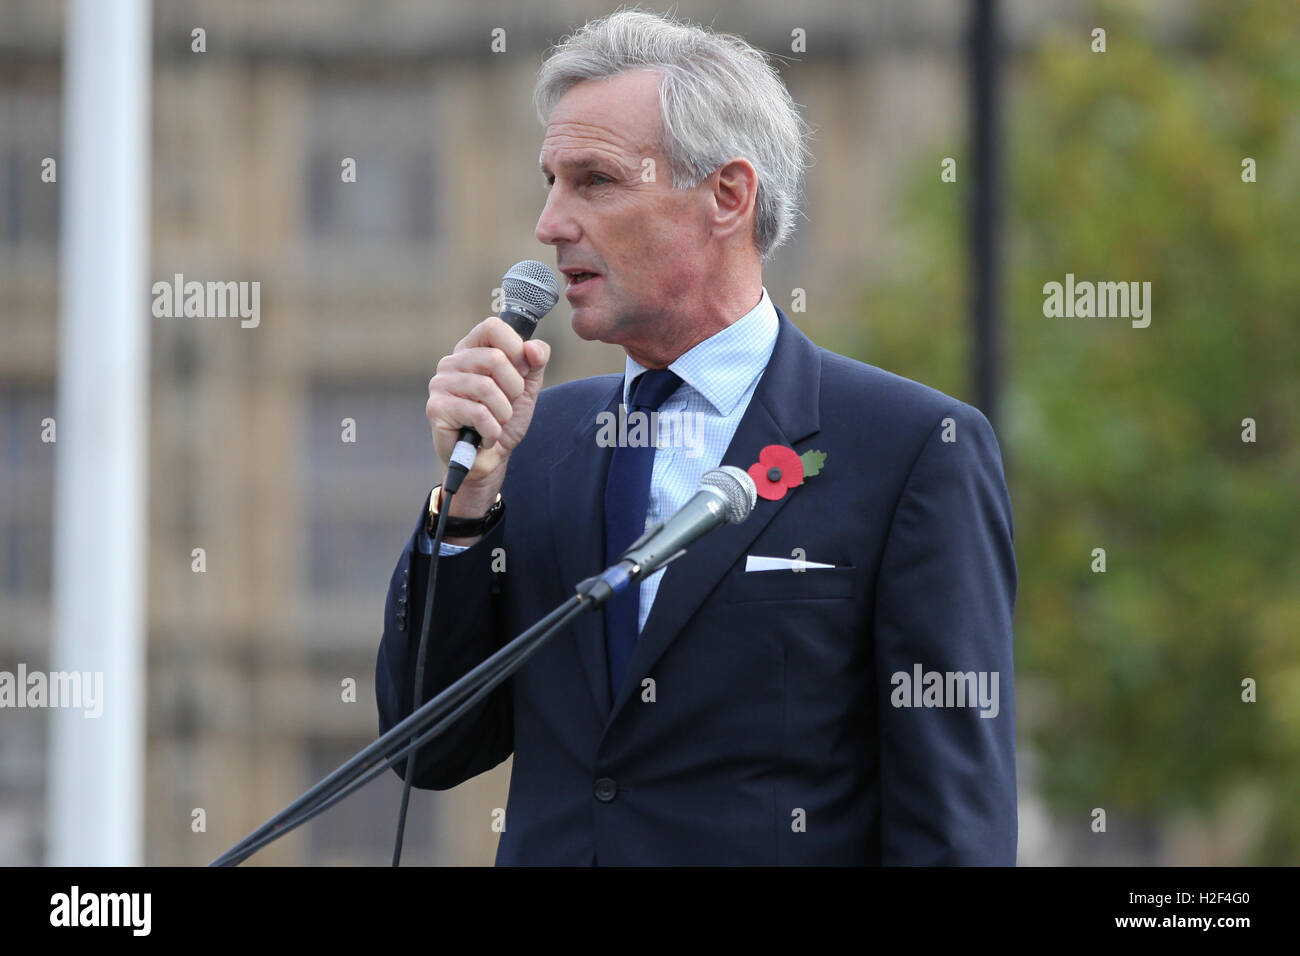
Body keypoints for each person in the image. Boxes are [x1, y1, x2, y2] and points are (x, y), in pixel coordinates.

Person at [375, 9, 1017, 865]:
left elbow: (951, 826)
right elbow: (429, 748)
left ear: (727, 196)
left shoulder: (914, 449)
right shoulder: (537, 439)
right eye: (550, 181)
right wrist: (467, 506)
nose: (550, 223)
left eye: (595, 181)